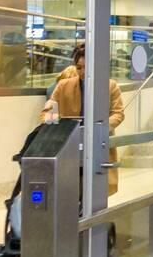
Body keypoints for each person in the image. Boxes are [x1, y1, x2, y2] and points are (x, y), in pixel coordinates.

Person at [41, 43, 125, 196]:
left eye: (87, 67)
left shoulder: (110, 86)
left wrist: (100, 128)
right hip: (70, 145)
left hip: (97, 144)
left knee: (97, 191)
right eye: (79, 68)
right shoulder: (63, 86)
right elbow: (49, 110)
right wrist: (54, 127)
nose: (82, 72)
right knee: (70, 190)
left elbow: (118, 113)